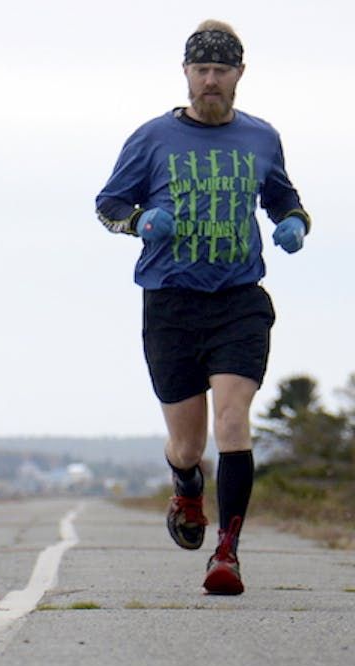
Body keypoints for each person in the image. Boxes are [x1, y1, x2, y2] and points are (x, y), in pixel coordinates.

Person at [95, 20, 311, 595]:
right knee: (188, 444)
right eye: (201, 70)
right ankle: (187, 487)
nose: (210, 80)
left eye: (221, 70)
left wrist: (291, 222)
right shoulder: (152, 138)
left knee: (233, 422)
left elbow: (284, 196)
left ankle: (227, 553)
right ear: (186, 74)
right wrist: (140, 221)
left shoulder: (262, 138)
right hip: (171, 304)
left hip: (239, 300)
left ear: (240, 73)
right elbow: (108, 204)